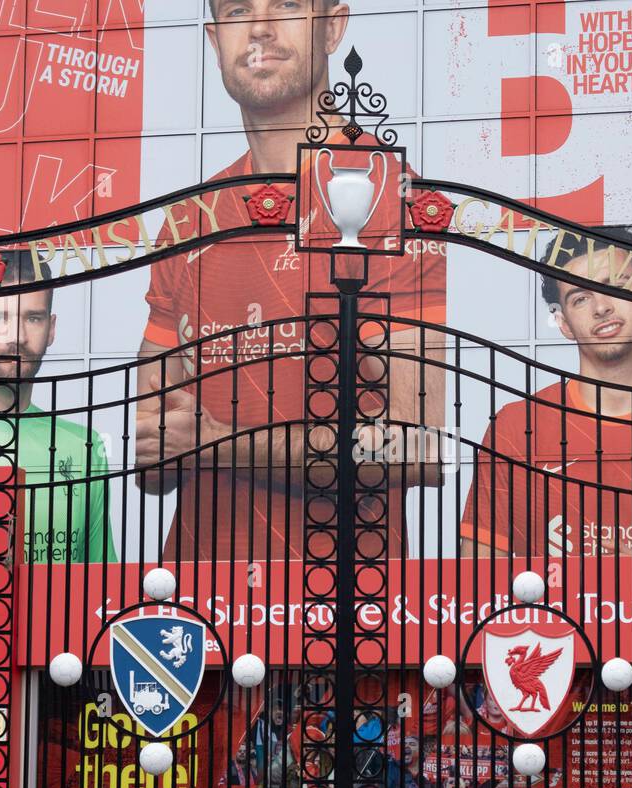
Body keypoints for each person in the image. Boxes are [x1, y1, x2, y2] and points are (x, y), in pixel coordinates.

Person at [133, 0, 446, 562]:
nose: (259, 27)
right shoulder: (190, 218)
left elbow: (415, 448)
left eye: (285, 5)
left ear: (333, 26)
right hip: (199, 602)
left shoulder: (396, 200)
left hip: (349, 598)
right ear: (214, 39)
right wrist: (177, 445)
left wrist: (214, 443)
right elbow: (155, 466)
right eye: (237, 10)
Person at [459, 226, 632, 559]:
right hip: (554, 613)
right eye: (580, 297)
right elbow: (476, 576)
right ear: (565, 323)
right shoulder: (517, 427)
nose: (601, 307)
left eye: (616, 286)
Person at [0, 249, 115, 564]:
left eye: (32, 318)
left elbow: (99, 580)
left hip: (57, 614)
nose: (16, 336)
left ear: (52, 329)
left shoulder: (83, 446)